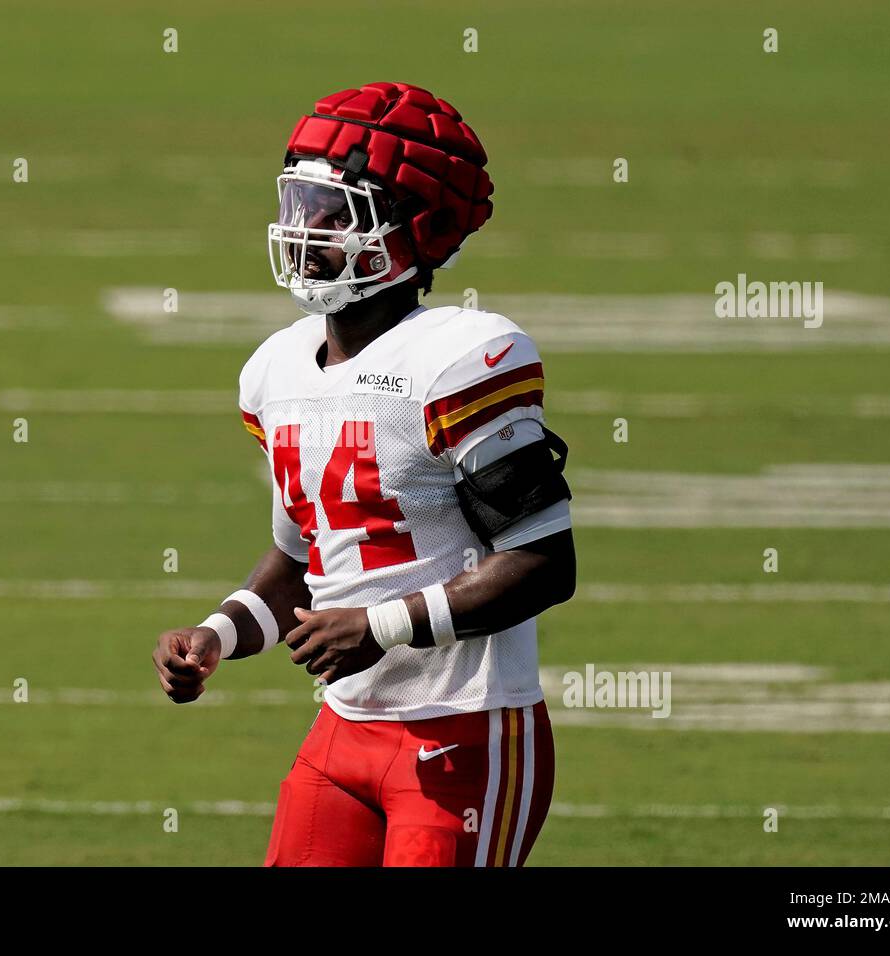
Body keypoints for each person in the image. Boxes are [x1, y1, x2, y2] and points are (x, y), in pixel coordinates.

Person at [151, 82, 576, 867]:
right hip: (342, 732)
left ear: (419, 228)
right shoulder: (275, 369)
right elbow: (304, 562)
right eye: (301, 201)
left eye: (334, 210)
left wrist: (379, 626)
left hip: (464, 734)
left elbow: (544, 564)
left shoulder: (459, 359)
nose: (304, 228)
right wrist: (216, 633)